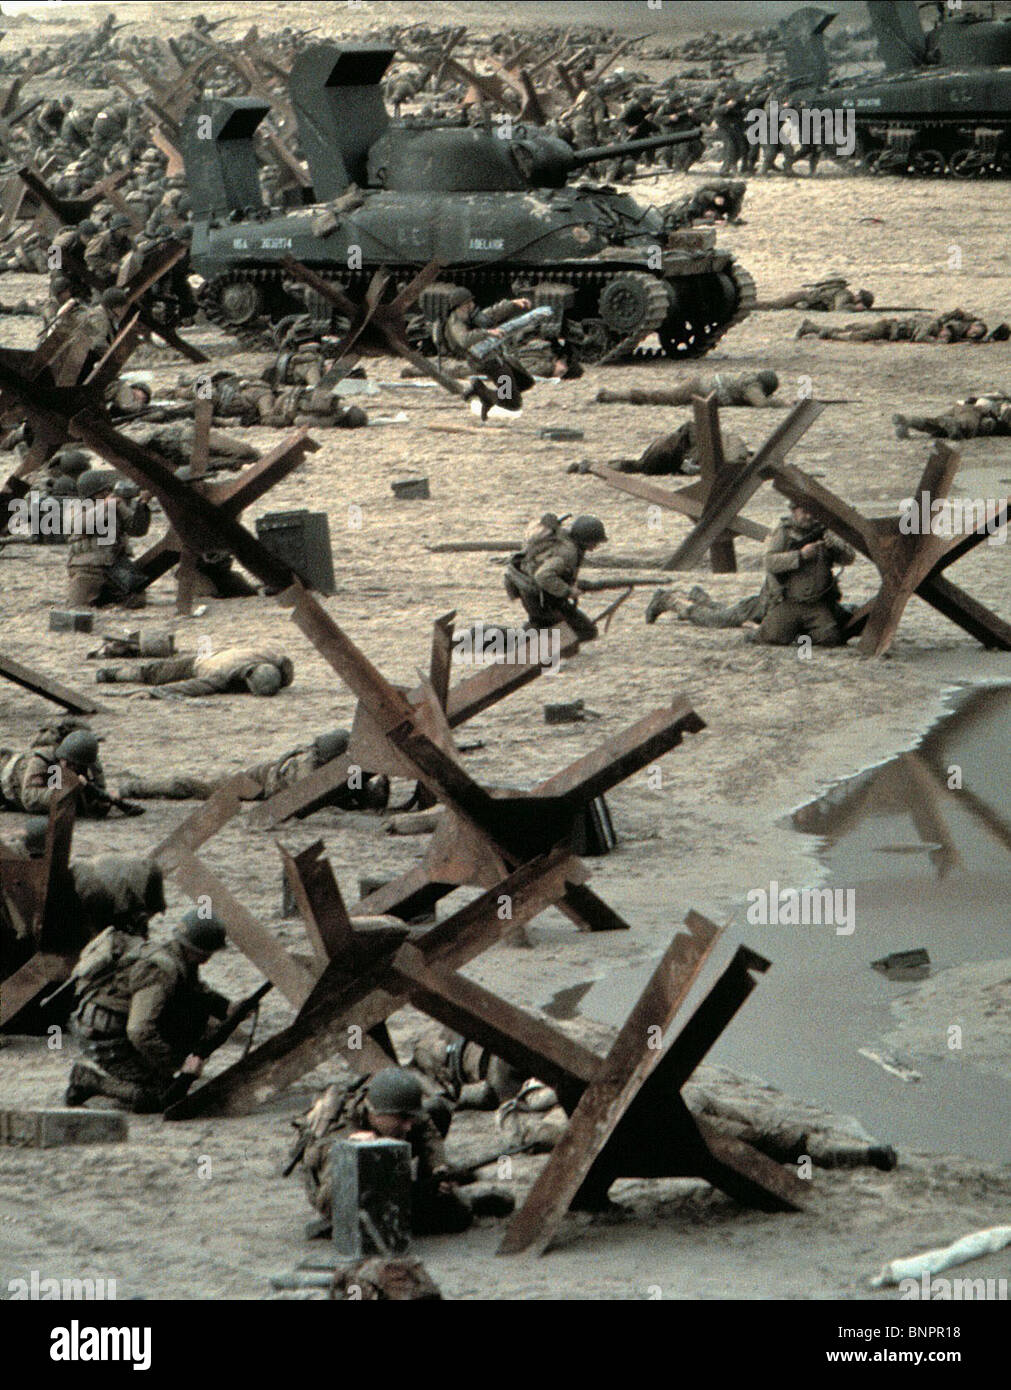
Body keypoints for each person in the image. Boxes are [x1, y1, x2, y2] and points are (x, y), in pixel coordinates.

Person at [65, 909, 230, 1113]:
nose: (208, 959)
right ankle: (89, 1081)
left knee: (197, 1012)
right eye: (207, 953)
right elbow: (139, 1031)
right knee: (162, 1096)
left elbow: (197, 992)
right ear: (198, 950)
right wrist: (171, 1065)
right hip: (105, 1037)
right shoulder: (161, 970)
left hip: (112, 1024)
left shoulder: (175, 955)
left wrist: (229, 1007)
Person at [290, 1067, 476, 1237]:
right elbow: (329, 1203)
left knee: (438, 1109)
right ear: (375, 1113)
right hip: (339, 1195)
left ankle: (419, 1192)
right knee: (448, 1217)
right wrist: (360, 1157)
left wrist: (438, 1167)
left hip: (385, 1173)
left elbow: (426, 1126)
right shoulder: (340, 1139)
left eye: (410, 1118)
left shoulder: (396, 1114)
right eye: (402, 1119)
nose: (408, 1126)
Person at [119, 729, 390, 812]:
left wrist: (369, 790)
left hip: (267, 777)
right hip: (258, 782)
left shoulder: (325, 761)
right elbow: (313, 805)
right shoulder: (309, 774)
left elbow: (353, 790)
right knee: (193, 788)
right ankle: (135, 788)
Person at [755, 502, 856, 647]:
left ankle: (803, 633)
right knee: (769, 638)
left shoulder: (825, 530)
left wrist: (836, 545)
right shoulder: (784, 531)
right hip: (789, 602)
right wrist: (800, 555)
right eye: (804, 511)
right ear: (794, 511)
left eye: (812, 512)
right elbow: (769, 562)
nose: (809, 516)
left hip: (817, 604)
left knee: (830, 639)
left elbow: (849, 558)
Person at [504, 513, 607, 642]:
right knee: (571, 633)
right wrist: (568, 591)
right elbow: (543, 576)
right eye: (595, 542)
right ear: (586, 541)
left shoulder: (565, 540)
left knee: (586, 631)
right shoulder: (568, 553)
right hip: (538, 599)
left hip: (545, 596)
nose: (595, 547)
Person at [0, 728, 137, 818]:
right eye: (66, 762)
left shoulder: (91, 764)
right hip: (6, 779)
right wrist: (67, 790)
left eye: (73, 765)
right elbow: (29, 799)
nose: (67, 766)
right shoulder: (43, 760)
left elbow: (97, 797)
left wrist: (101, 803)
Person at [66, 470, 152, 608]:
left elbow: (137, 530)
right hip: (88, 569)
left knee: (137, 600)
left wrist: (143, 504)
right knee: (76, 606)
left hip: (114, 568)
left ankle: (104, 599)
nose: (107, 494)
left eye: (108, 491)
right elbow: (80, 525)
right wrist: (105, 505)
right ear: (91, 494)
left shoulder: (116, 506)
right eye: (103, 492)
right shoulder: (77, 507)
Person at [96, 645, 294, 698]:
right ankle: (110, 674)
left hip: (215, 654)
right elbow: (189, 687)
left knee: (151, 671)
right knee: (151, 674)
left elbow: (286, 663)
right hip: (196, 665)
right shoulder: (220, 677)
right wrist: (153, 693)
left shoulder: (266, 656)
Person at [797, 308, 1010, 343]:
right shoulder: (933, 327)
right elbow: (919, 338)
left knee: (848, 330)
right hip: (887, 329)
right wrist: (936, 341)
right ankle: (819, 330)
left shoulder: (950, 326)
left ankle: (811, 326)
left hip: (889, 328)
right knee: (850, 336)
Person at [596, 370, 780, 408]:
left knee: (661, 395)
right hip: (696, 389)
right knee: (659, 397)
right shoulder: (752, 385)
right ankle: (612, 395)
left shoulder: (748, 378)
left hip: (698, 384)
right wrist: (783, 403)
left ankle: (613, 394)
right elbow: (761, 403)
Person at [645, 584, 766, 628]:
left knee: (728, 613)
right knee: (719, 620)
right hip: (770, 603)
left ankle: (701, 601)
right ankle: (670, 601)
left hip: (770, 603)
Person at [894, 395, 1011, 440]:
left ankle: (908, 420)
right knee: (966, 426)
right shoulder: (982, 408)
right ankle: (953, 426)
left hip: (959, 411)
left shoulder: (958, 407)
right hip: (971, 413)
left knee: (935, 425)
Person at [757, 279, 874, 312]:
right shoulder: (845, 295)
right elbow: (839, 309)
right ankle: (748, 305)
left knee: (777, 306)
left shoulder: (845, 294)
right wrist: (855, 309)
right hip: (804, 297)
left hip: (806, 299)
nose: (856, 295)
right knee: (774, 304)